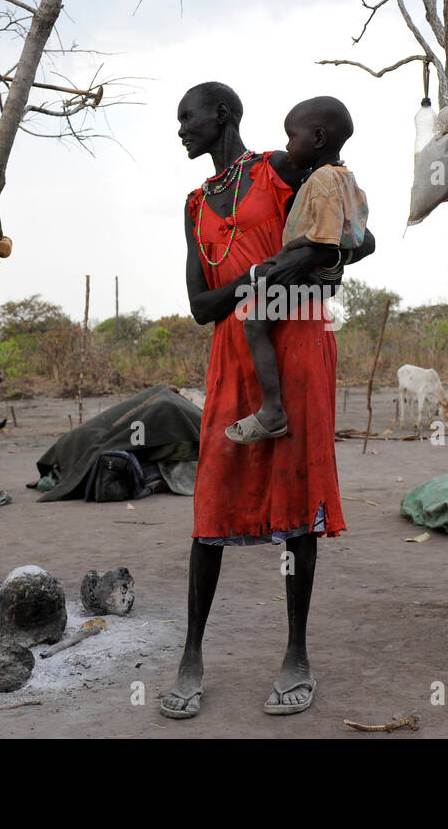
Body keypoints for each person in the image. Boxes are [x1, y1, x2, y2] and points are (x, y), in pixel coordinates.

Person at [161, 81, 375, 719]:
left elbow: (358, 236)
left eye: (187, 118)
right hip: (233, 352)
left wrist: (306, 269)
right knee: (212, 501)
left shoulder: (280, 169)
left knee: (295, 495)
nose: (180, 130)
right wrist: (253, 284)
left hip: (301, 339)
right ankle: (192, 655)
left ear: (221, 115)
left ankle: (296, 655)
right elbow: (201, 306)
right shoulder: (194, 204)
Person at [225, 96, 369, 444]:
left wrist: (288, 256)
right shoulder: (345, 177)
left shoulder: (320, 180)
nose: (288, 145)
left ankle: (272, 410)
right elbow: (359, 232)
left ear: (318, 138)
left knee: (255, 323)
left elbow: (325, 239)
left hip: (311, 275)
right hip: (326, 276)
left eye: (292, 136)